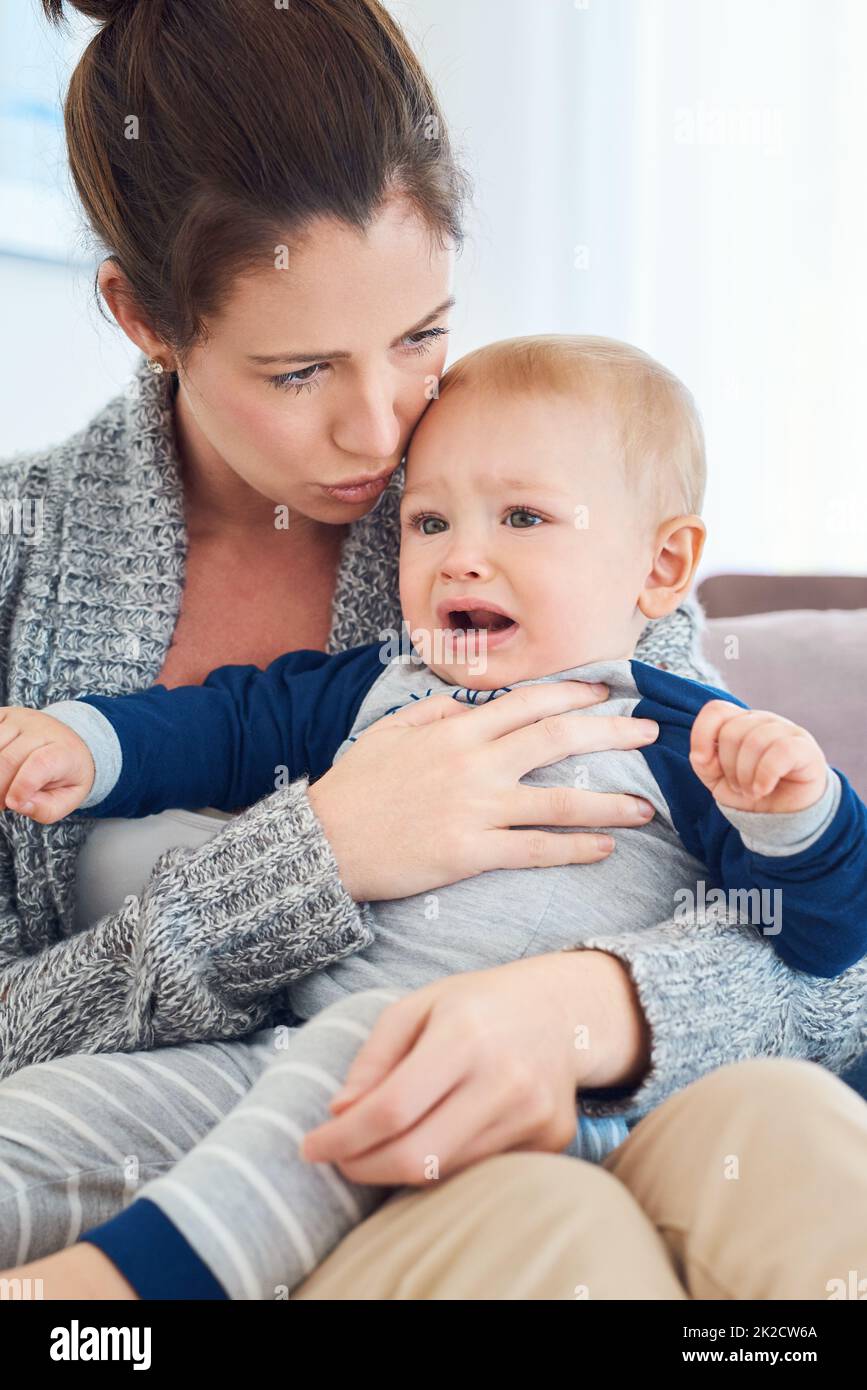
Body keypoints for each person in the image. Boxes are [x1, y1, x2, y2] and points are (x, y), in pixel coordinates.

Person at [0, 0, 862, 1301]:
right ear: (143, 319)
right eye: (299, 372)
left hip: (538, 1136)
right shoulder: (24, 554)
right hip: (206, 1155)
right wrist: (314, 857)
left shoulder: (529, 492)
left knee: (697, 1174)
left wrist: (581, 1009)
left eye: (419, 335)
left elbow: (823, 974)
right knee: (550, 1228)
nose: (383, 428)